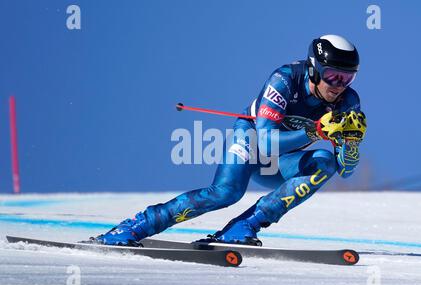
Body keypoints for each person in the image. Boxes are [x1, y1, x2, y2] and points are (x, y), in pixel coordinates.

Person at [88, 34, 367, 247]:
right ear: (315, 69)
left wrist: (350, 145)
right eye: (332, 76)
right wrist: (314, 132)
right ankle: (134, 227)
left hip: (283, 162)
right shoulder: (284, 80)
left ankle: (243, 226)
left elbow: (345, 170)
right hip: (253, 139)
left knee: (325, 162)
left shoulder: (347, 101)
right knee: (226, 193)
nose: (339, 85)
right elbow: (267, 143)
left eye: (347, 78)